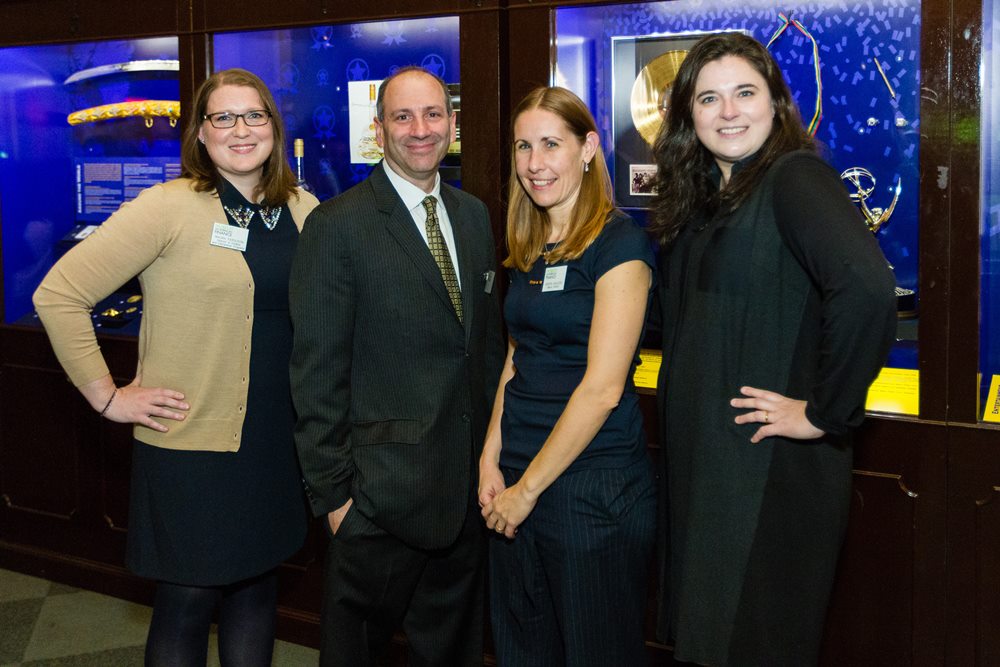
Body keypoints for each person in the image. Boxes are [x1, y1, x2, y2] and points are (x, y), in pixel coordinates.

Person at [33, 68, 319, 666]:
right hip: (191, 442)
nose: (241, 130)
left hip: (273, 441)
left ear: (273, 125)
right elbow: (58, 295)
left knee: (256, 587)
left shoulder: (301, 208)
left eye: (254, 115)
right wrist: (108, 397)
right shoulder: (166, 207)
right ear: (202, 133)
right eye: (224, 117)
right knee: (187, 599)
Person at [648, 32, 897, 665]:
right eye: (709, 97)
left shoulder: (795, 177)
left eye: (744, 93)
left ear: (776, 102)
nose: (728, 111)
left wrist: (823, 412)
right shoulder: (712, 197)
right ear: (687, 115)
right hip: (716, 471)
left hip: (766, 476)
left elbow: (867, 289)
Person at [289, 65, 504, 667]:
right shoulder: (337, 226)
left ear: (453, 124)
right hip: (376, 502)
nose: (420, 129)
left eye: (433, 115)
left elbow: (481, 352)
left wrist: (490, 460)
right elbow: (316, 372)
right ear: (378, 130)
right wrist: (336, 500)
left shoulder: (474, 216)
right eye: (402, 117)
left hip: (464, 496)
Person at [479, 86, 656, 666]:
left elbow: (603, 388)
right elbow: (517, 356)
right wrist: (491, 456)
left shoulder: (621, 245)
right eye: (524, 146)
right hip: (516, 480)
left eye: (551, 144)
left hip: (588, 486)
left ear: (588, 148)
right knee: (523, 649)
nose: (534, 163)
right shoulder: (530, 246)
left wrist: (527, 491)